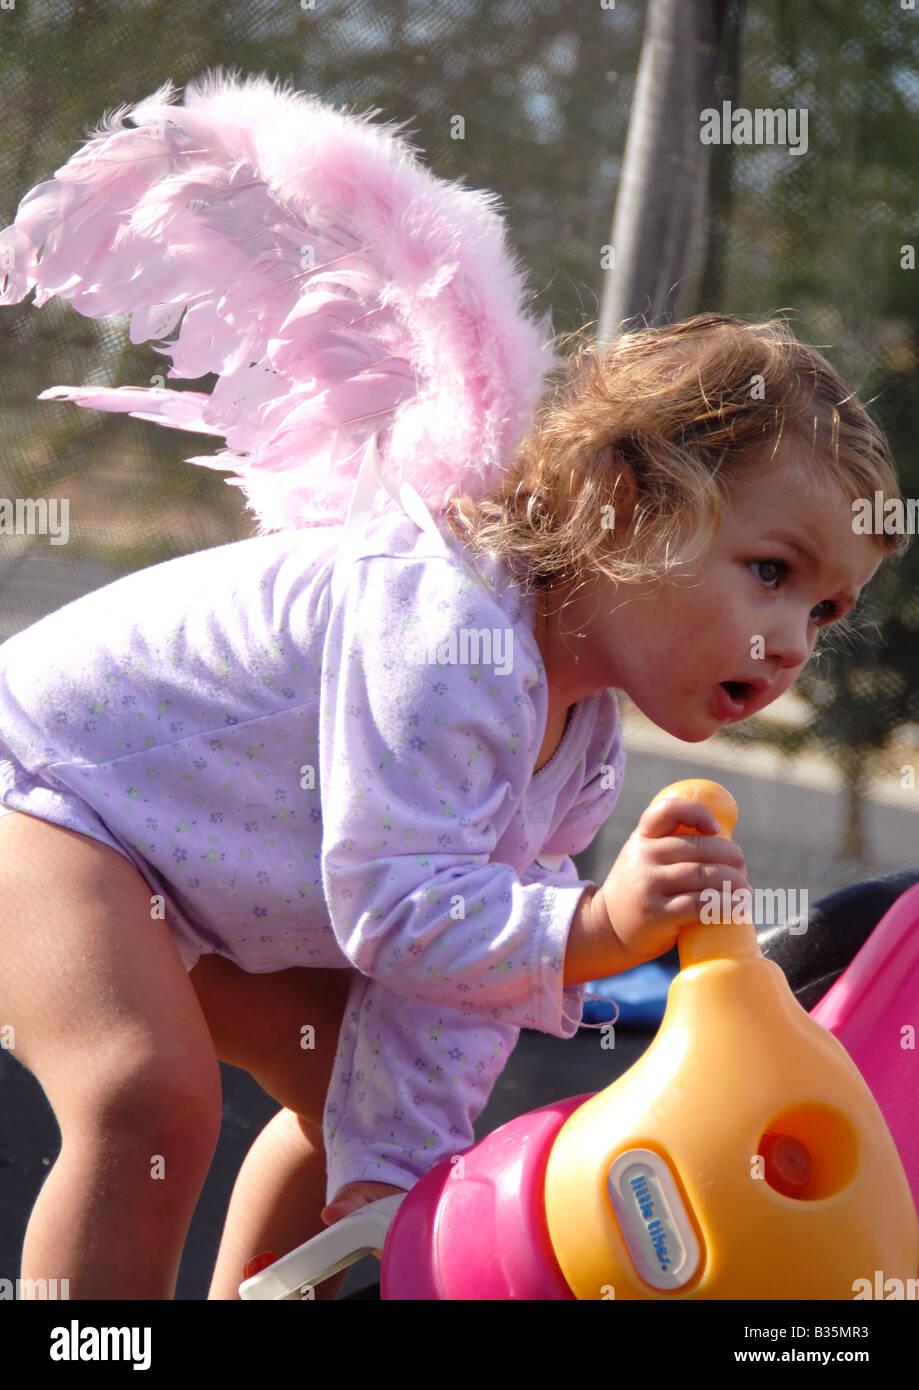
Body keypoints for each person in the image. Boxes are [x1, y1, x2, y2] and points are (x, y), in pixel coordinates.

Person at [0, 312, 904, 1300]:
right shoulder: (448, 624)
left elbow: (455, 987)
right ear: (623, 502)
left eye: (823, 610)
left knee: (347, 1091)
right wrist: (599, 924)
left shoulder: (580, 745)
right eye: (770, 571)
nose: (789, 641)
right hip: (48, 792)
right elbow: (399, 911)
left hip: (173, 873)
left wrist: (389, 1171)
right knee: (147, 1095)